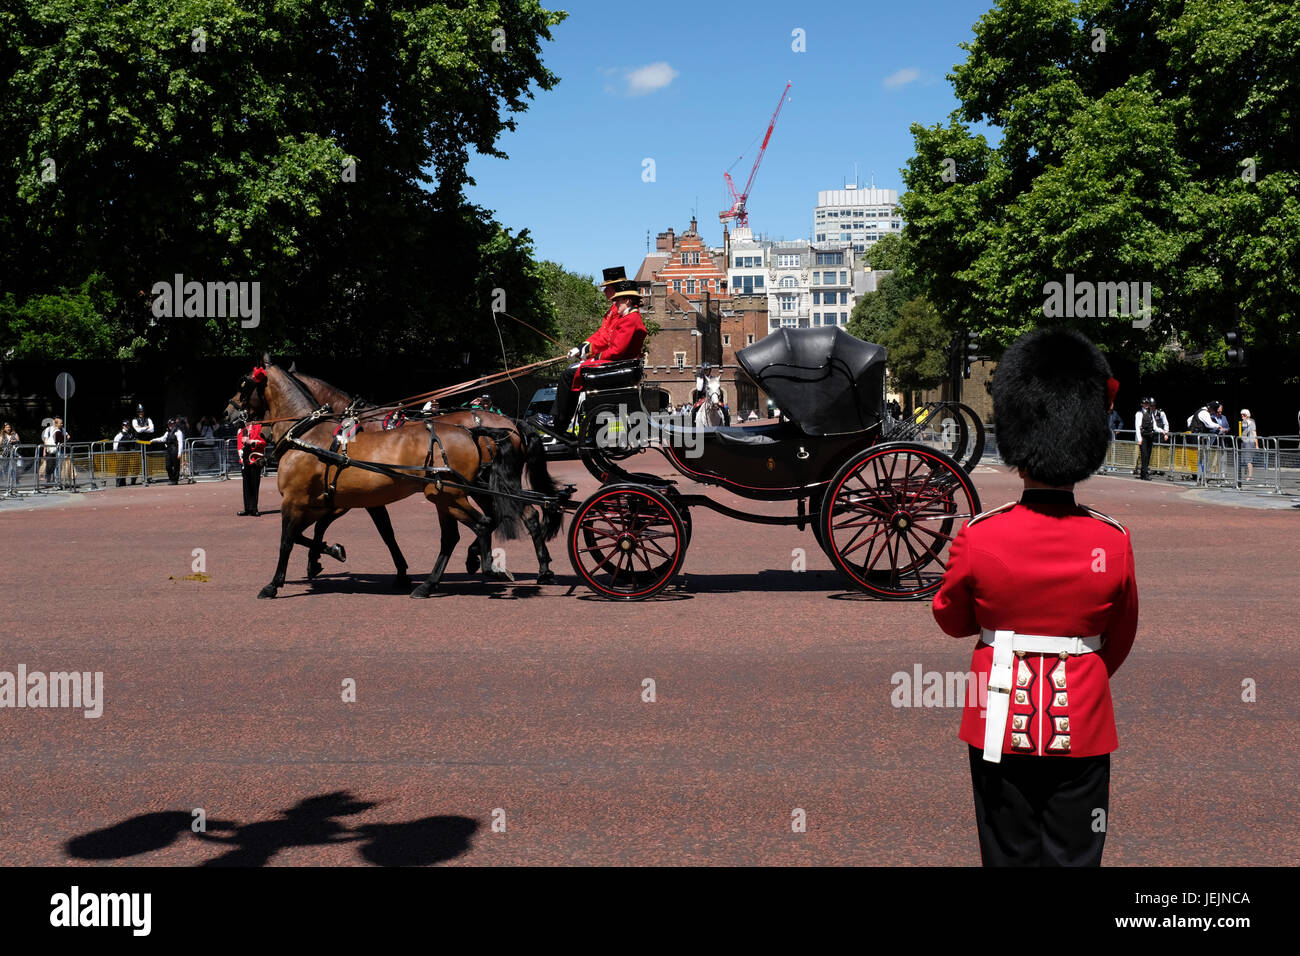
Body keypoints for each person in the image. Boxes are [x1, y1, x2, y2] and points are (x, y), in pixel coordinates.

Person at [932, 327, 1138, 867]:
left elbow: (951, 620)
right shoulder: (1110, 539)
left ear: (1019, 447)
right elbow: (1119, 638)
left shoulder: (982, 535)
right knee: (1076, 857)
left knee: (1007, 856)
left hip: (996, 716)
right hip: (1085, 718)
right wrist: (1080, 669)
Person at [535, 277, 647, 434]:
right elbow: (608, 340)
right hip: (617, 363)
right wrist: (583, 348)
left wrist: (593, 356)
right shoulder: (627, 317)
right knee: (570, 373)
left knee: (568, 375)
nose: (615, 303)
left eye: (619, 301)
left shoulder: (629, 319)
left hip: (615, 363)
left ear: (627, 300)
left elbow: (616, 350)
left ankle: (560, 422)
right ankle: (563, 421)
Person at [236, 416, 267, 516]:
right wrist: (241, 455)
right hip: (244, 461)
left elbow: (264, 442)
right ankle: (247, 508)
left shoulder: (259, 427)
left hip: (255, 460)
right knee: (246, 486)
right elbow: (239, 444)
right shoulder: (242, 429)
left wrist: (252, 442)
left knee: (254, 485)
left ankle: (254, 508)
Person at [1133, 397, 1169, 480]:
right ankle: (1145, 474)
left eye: (1147, 404)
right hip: (1143, 437)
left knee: (1148, 456)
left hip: (1150, 436)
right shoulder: (1139, 413)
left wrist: (1162, 431)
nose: (1146, 405)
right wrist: (1139, 439)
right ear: (1142, 404)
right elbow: (1137, 427)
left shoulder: (1150, 413)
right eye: (1145, 404)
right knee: (1144, 456)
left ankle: (1143, 473)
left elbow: (1155, 426)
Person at [153, 417, 184, 484]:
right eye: (169, 424)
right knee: (168, 466)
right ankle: (171, 479)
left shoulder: (178, 432)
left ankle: (175, 480)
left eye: (171, 424)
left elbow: (180, 443)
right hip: (168, 450)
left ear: (174, 424)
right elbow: (162, 439)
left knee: (176, 466)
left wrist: (179, 453)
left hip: (175, 450)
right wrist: (154, 440)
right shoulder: (167, 432)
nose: (170, 425)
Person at [111, 420, 134, 486]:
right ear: (123, 426)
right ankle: (118, 482)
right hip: (121, 452)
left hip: (127, 452)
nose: (126, 426)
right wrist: (116, 451)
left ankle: (123, 482)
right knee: (120, 467)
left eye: (127, 425)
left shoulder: (129, 433)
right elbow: (115, 442)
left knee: (125, 467)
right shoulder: (120, 434)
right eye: (125, 425)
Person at [1238, 409, 1258, 482]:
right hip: (1244, 442)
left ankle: (1250, 476)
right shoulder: (1243, 423)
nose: (1242, 416)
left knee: (1248, 460)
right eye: (1241, 415)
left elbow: (1254, 433)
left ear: (1247, 415)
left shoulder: (1251, 422)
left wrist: (1257, 444)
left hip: (1250, 442)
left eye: (1244, 415)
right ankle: (1248, 475)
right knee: (1245, 460)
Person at [1, 422, 19, 493]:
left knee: (13, 470)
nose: (8, 428)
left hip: (14, 455)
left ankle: (13, 486)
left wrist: (15, 441)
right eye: (7, 427)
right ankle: (7, 485)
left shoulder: (15, 434)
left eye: (9, 427)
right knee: (6, 471)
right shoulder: (2, 435)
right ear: (4, 428)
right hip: (5, 455)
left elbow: (19, 442)